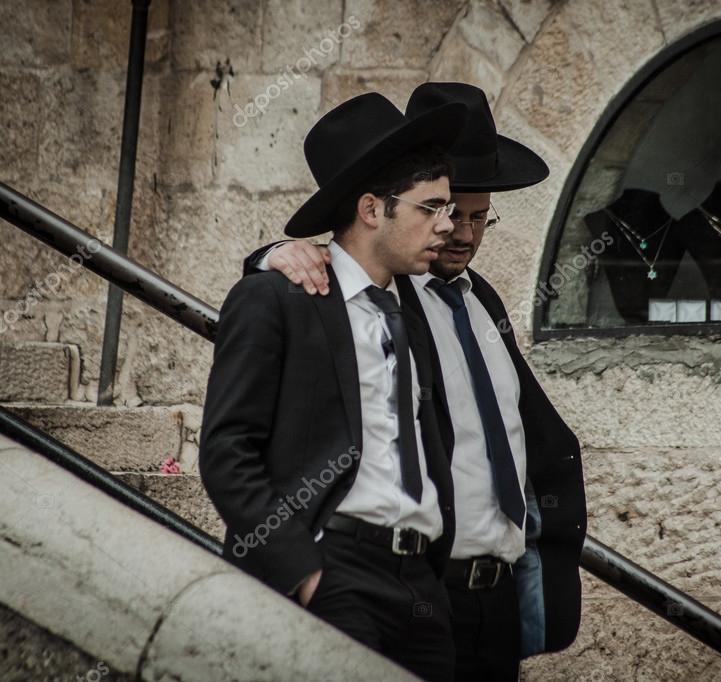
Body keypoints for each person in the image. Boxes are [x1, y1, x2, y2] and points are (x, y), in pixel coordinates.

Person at [241, 82, 587, 681]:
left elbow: (516, 426)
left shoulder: (481, 300)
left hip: (498, 592)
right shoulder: (385, 290)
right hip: (421, 584)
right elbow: (327, 267)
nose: (462, 233)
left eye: (478, 217)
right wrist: (270, 253)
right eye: (444, 211)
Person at [199, 92, 469, 682]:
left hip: (420, 581)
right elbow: (227, 451)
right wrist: (306, 570)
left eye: (449, 208)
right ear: (373, 210)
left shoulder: (415, 308)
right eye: (431, 208)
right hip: (333, 569)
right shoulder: (277, 299)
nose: (448, 226)